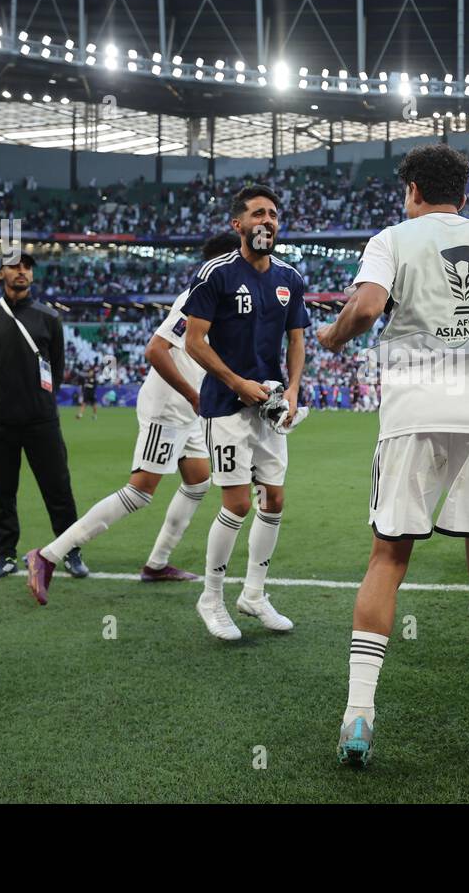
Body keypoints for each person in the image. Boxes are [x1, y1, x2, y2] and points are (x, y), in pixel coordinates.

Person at [316, 143, 469, 767]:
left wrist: (332, 332)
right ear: (464, 193)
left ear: (411, 190)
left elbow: (370, 306)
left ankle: (358, 717)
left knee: (388, 558)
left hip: (412, 413)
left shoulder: (393, 239)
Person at [24, 279, 215, 601]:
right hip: (168, 408)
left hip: (188, 410)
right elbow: (155, 349)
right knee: (139, 492)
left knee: (198, 483)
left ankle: (157, 564)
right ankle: (47, 556)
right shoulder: (197, 298)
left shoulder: (224, 298)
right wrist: (193, 395)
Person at [181, 185, 309, 641]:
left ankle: (253, 594)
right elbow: (194, 341)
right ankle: (211, 597)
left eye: (273, 214)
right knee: (236, 504)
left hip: (270, 410)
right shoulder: (216, 273)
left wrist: (292, 391)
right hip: (226, 406)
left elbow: (296, 341)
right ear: (238, 224)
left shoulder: (290, 278)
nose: (267, 221)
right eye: (258, 214)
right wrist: (237, 383)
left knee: (274, 499)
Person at [0, 252, 87, 585]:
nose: (21, 271)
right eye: (14, 266)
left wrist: (41, 400)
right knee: (1, 490)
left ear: (32, 276)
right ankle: (5, 555)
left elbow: (58, 366)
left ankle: (71, 551)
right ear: (0, 273)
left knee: (58, 488)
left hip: (40, 420)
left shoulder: (49, 317)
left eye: (27, 267)